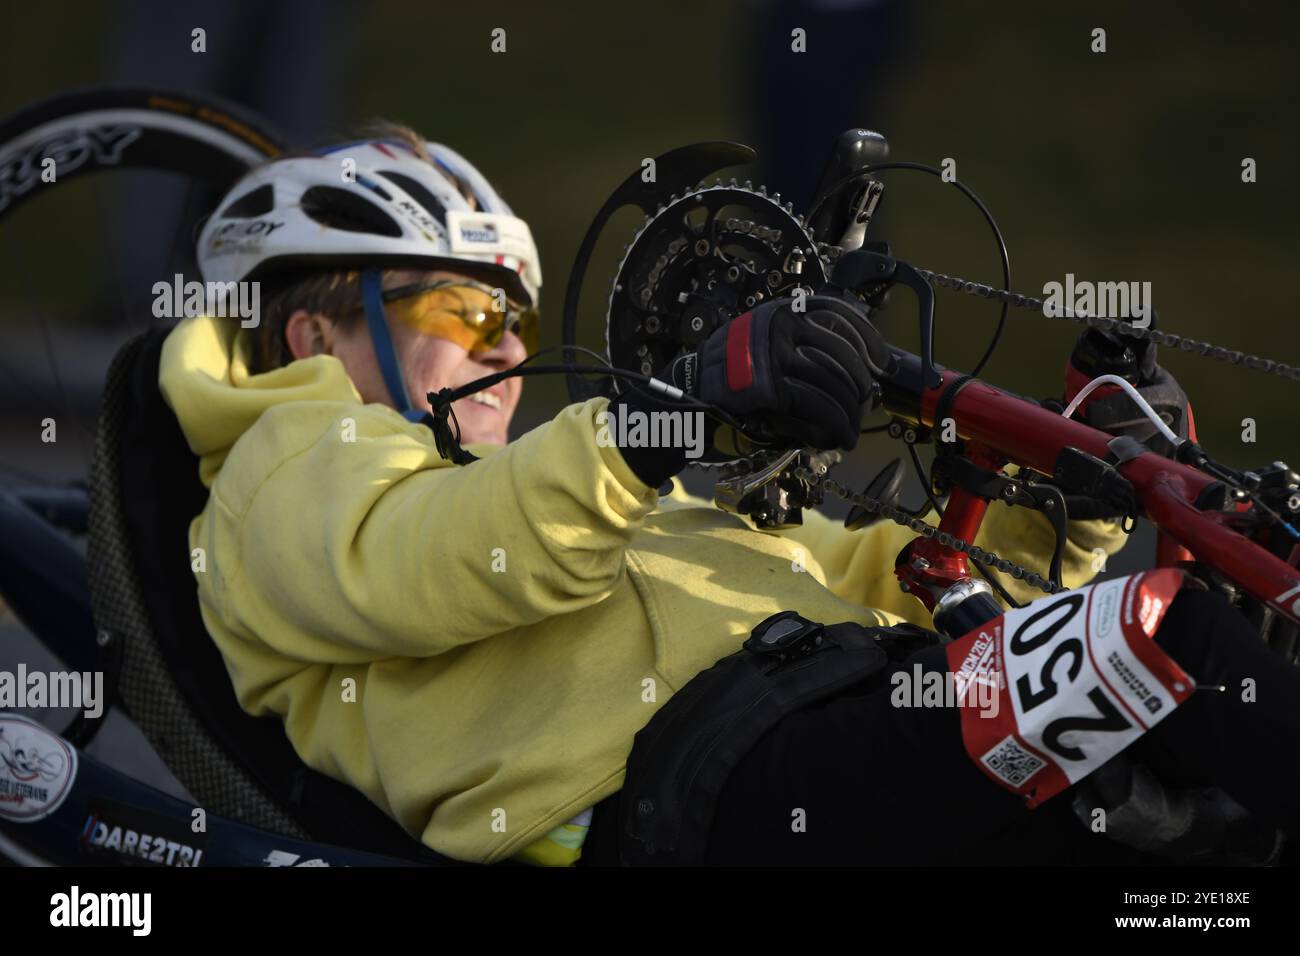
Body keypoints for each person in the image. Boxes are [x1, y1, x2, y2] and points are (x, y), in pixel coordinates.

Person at [160, 124, 1297, 866]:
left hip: (833, 718)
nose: (502, 345)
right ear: (314, 330)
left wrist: (1066, 500)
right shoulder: (284, 467)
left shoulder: (558, 479)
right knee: (1165, 638)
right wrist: (664, 422)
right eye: (460, 315)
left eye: (510, 317)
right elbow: (428, 561)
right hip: (700, 783)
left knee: (1188, 812)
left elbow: (887, 579)